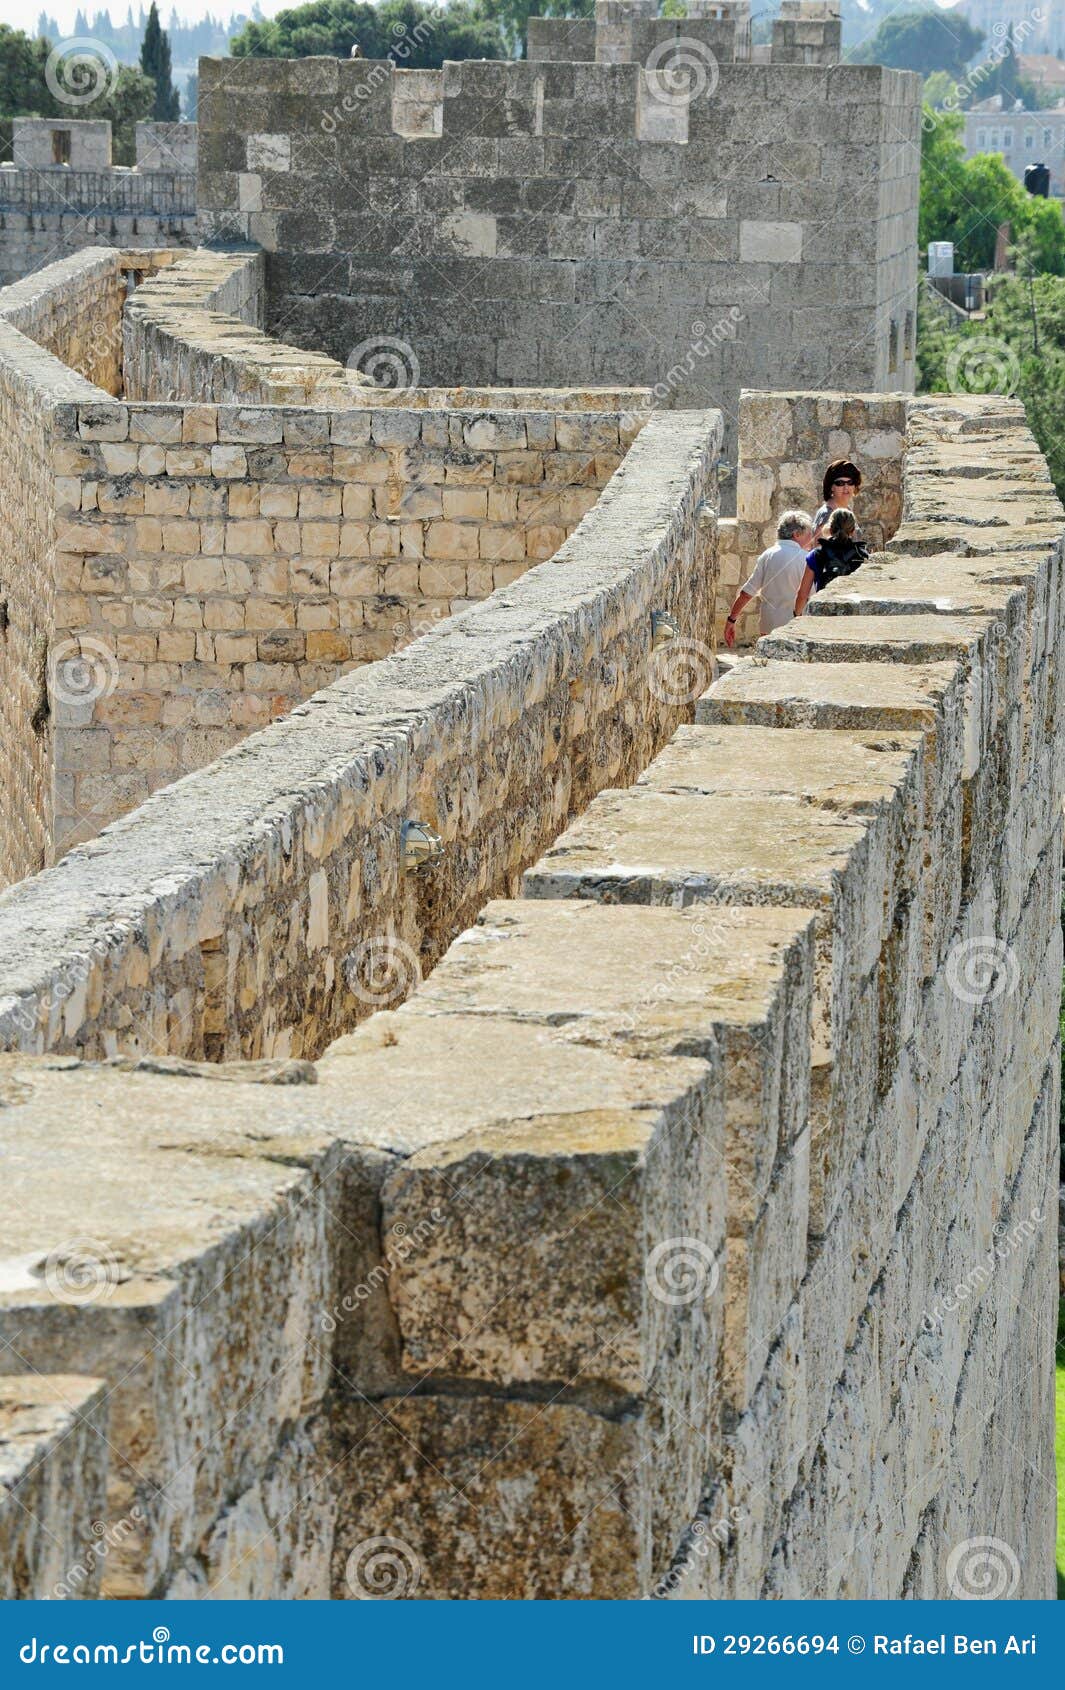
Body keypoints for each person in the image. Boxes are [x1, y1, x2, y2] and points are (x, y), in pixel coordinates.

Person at [723, 509, 815, 647]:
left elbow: (747, 593)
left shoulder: (767, 556)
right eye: (808, 534)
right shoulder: (806, 559)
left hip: (768, 626)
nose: (811, 538)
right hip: (796, 628)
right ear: (796, 534)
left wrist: (731, 620)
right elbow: (810, 596)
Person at [794, 507, 868, 616]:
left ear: (830, 529)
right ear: (852, 531)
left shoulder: (816, 554)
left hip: (824, 612)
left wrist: (797, 615)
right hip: (853, 614)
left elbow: (803, 595)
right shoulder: (862, 555)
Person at [812, 459, 862, 541]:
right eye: (840, 483)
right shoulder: (826, 514)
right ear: (831, 487)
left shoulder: (846, 509)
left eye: (850, 482)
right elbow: (818, 548)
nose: (846, 487)